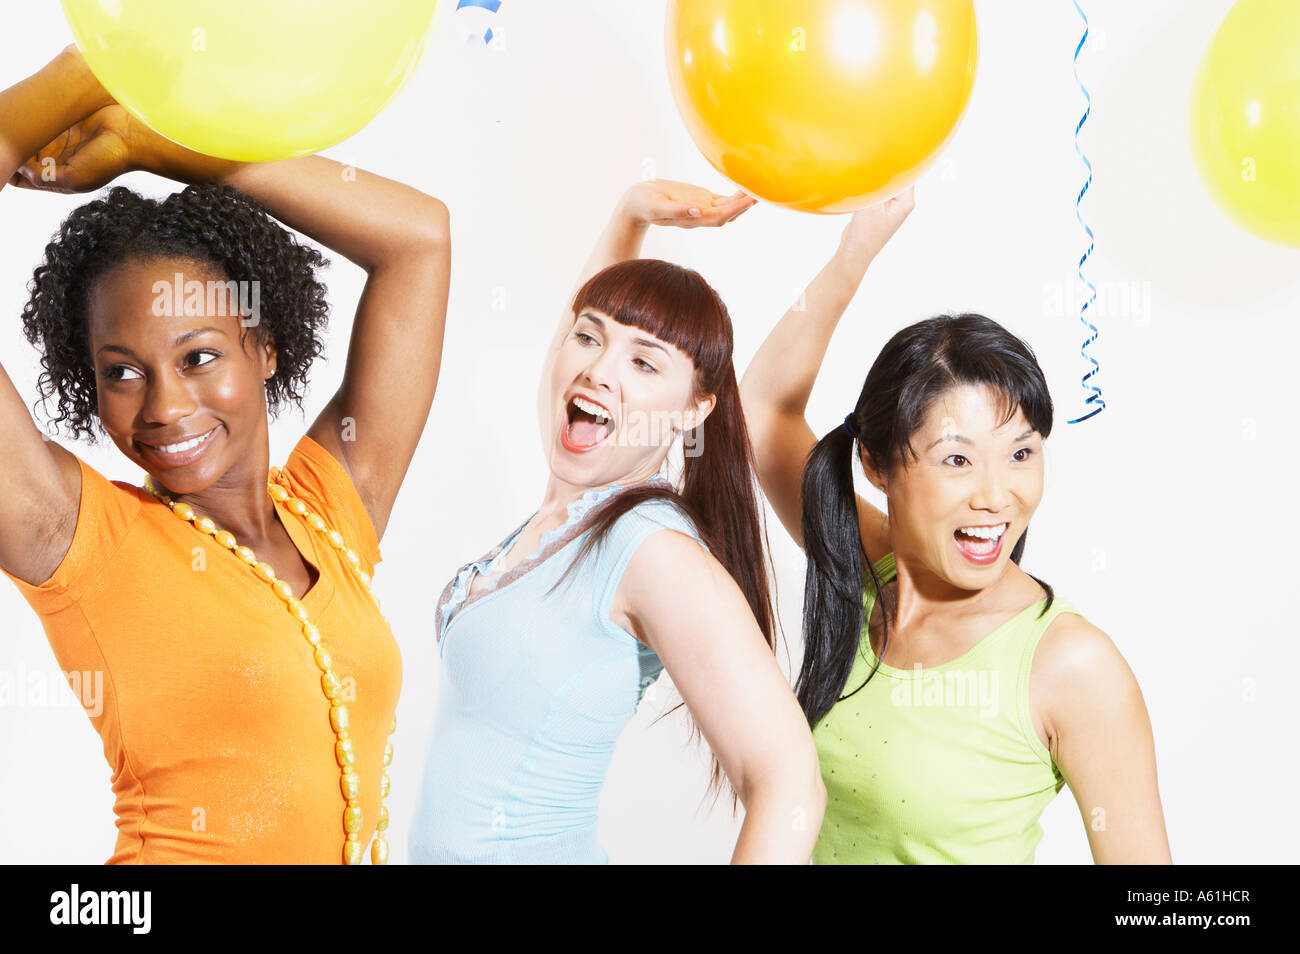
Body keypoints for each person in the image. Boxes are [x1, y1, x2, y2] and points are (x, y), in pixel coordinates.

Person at [0, 47, 451, 863]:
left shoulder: (332, 507)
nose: (166, 407)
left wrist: (163, 142)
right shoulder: (76, 534)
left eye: (199, 357)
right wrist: (91, 68)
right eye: (122, 373)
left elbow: (420, 238)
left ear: (266, 346)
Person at [740, 188, 1172, 864]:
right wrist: (856, 251)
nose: (996, 495)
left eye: (1021, 453)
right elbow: (761, 411)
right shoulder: (861, 564)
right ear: (877, 464)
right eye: (958, 459)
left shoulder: (1072, 665)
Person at [409, 179, 825, 864]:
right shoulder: (566, 515)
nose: (599, 370)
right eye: (588, 340)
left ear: (694, 410)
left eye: (643, 362)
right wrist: (629, 215)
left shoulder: (650, 548)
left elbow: (789, 781)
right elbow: (582, 342)